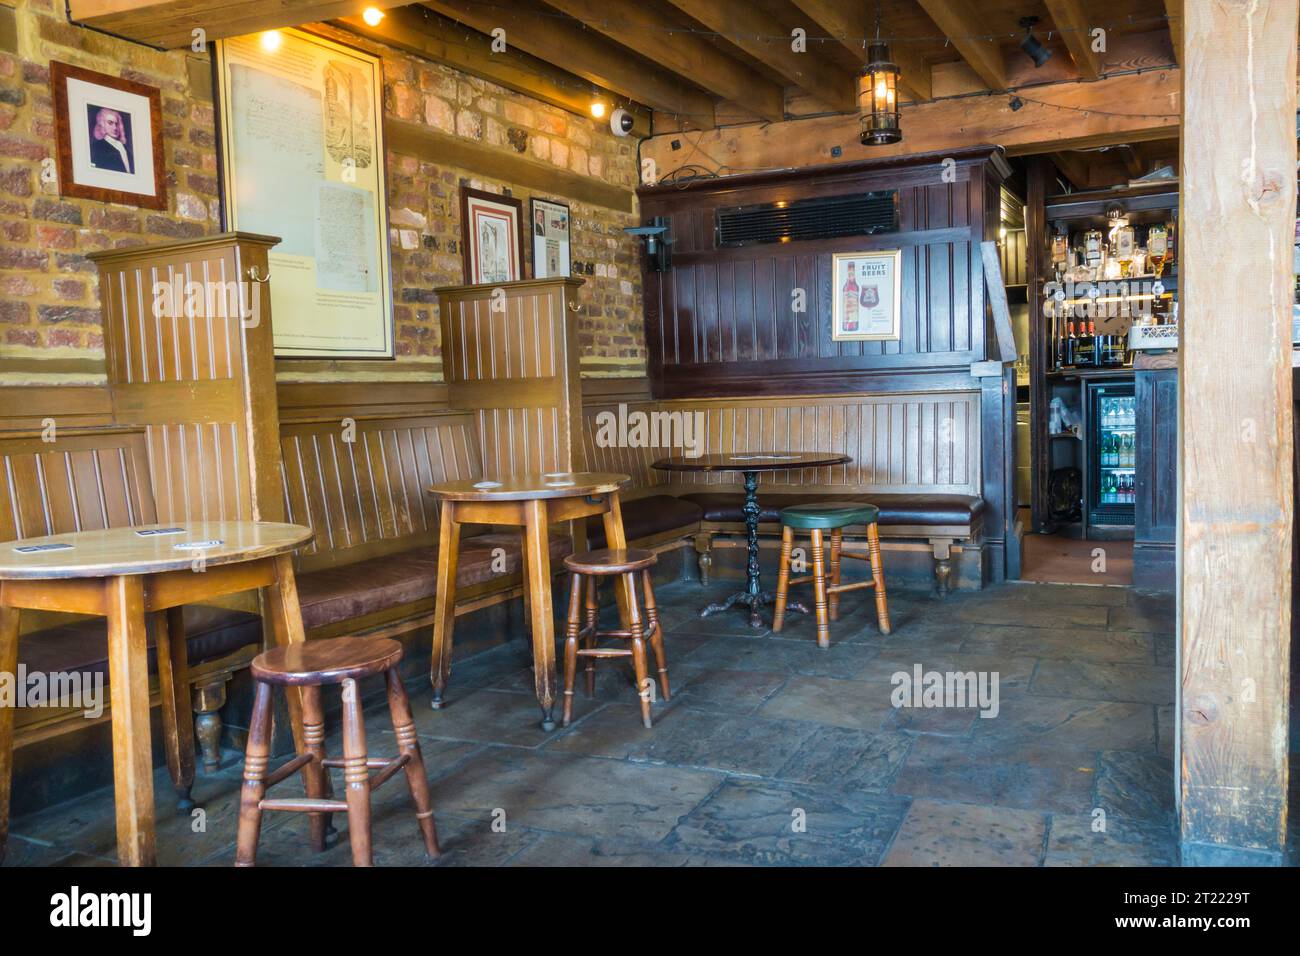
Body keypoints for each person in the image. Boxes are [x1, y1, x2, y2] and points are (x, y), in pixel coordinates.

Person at [89, 107, 132, 174]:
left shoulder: (125, 148)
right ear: (103, 125)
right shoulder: (96, 147)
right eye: (110, 123)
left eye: (116, 124)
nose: (115, 128)